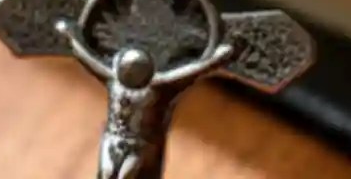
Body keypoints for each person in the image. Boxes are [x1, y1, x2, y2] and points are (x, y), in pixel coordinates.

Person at [56, 21, 236, 179]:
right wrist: (71, 35)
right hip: (113, 138)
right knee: (107, 174)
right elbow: (89, 59)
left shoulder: (155, 86)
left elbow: (190, 71)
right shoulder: (115, 82)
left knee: (127, 175)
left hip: (137, 146)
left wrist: (216, 59)